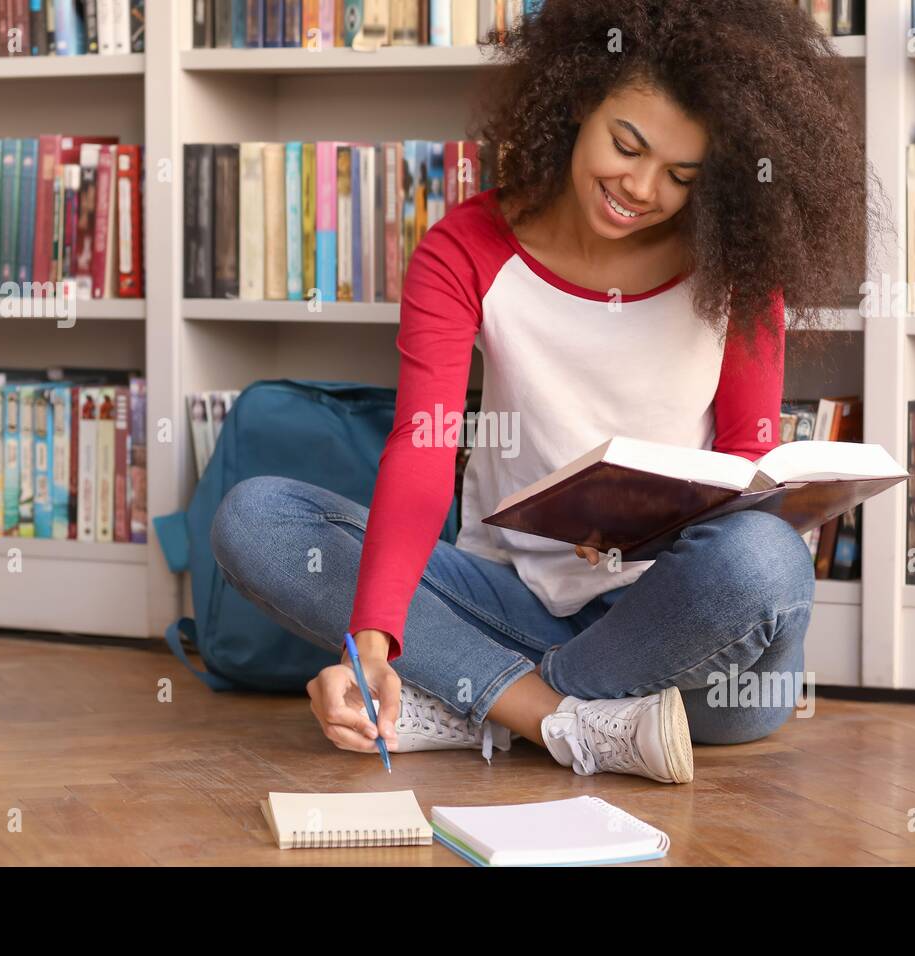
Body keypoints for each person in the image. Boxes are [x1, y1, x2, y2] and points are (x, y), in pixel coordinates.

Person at [212, 0, 873, 784]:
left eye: (681, 175)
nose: (641, 187)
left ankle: (484, 703)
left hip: (687, 651)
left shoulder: (739, 275)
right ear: (576, 105)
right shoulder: (467, 248)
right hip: (507, 599)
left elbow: (744, 473)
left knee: (763, 560)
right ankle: (556, 721)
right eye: (626, 145)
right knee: (257, 518)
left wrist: (647, 534)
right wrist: (378, 646)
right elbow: (422, 456)